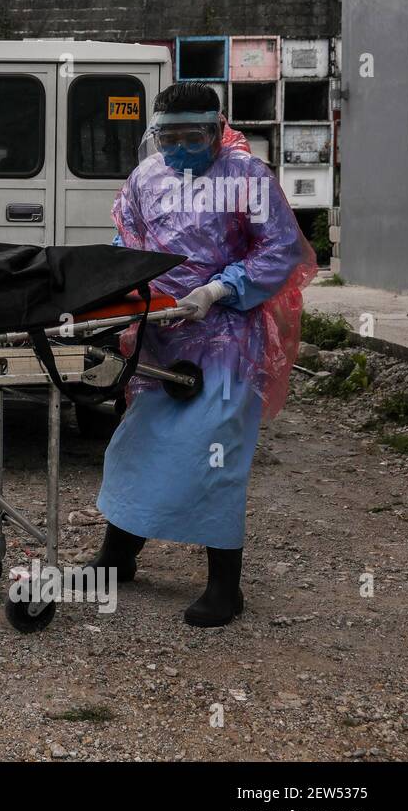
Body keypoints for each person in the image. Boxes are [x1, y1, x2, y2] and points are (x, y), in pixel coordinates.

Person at [91, 82, 316, 627]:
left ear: (217, 130)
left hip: (227, 338)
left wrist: (218, 290)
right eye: (167, 135)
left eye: (192, 135)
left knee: (215, 451)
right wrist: (128, 295)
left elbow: (279, 248)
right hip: (161, 333)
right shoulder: (147, 178)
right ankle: (117, 557)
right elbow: (128, 241)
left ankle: (224, 585)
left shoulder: (247, 178)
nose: (178, 146)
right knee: (138, 443)